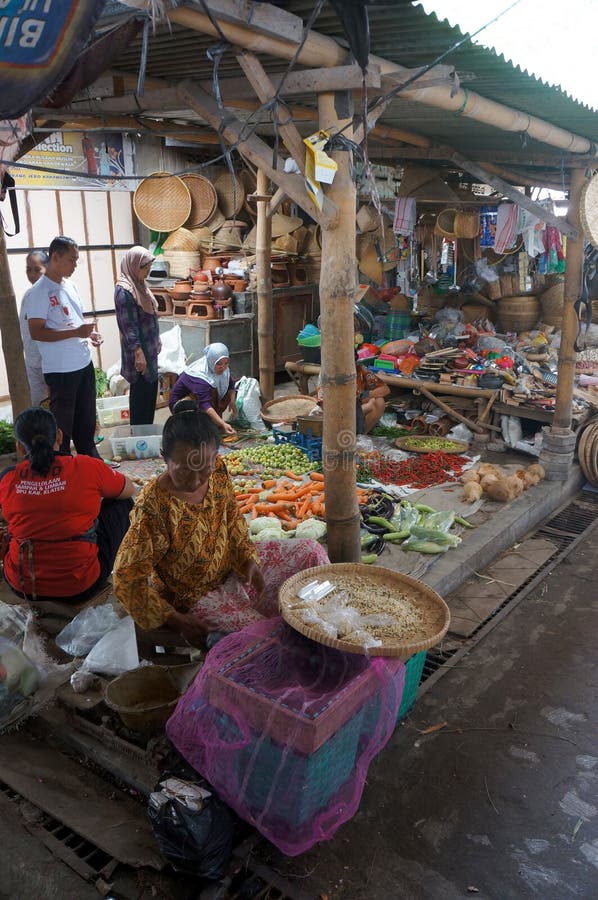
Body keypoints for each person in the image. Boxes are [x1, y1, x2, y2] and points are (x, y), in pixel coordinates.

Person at [113, 402, 329, 647]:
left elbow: (232, 518)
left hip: (231, 568)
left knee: (311, 552)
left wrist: (247, 559)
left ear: (216, 457)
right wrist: (176, 619)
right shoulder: (152, 508)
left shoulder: (218, 470)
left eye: (203, 470)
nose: (195, 481)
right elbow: (126, 579)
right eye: (183, 471)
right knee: (268, 640)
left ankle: (329, 623)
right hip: (195, 597)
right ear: (164, 457)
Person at [0, 407, 137, 603]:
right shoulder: (86, 466)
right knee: (123, 504)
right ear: (59, 436)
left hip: (22, 586)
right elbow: (128, 489)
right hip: (80, 586)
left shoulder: (7, 478)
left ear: (19, 447)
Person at [26, 235, 103, 457]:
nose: (75, 265)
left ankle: (91, 466)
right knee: (62, 432)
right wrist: (76, 333)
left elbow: (75, 321)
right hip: (61, 371)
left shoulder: (70, 285)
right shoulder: (39, 292)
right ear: (56, 257)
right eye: (71, 260)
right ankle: (62, 473)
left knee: (86, 425)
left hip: (83, 363)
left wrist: (90, 335)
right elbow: (36, 332)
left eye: (76, 260)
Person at [114, 246, 160, 425]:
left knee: (150, 394)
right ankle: (139, 438)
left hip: (149, 349)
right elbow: (128, 327)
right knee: (140, 397)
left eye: (149, 267)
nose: (147, 272)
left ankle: (146, 433)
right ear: (133, 266)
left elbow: (151, 316)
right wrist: (138, 353)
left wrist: (157, 338)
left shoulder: (140, 286)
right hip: (139, 352)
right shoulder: (124, 291)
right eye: (144, 268)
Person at [168, 343, 237, 435]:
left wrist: (232, 401)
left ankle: (213, 423)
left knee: (217, 393)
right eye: (219, 364)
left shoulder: (222, 369)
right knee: (198, 433)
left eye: (226, 363)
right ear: (211, 361)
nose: (223, 367)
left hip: (201, 399)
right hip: (182, 404)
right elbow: (205, 405)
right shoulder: (200, 376)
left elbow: (230, 384)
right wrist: (223, 424)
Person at [316, 355, 389, 434]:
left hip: (355, 410)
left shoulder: (359, 368)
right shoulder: (328, 373)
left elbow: (385, 389)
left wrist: (366, 394)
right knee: (368, 405)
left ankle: (361, 436)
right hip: (334, 414)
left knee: (379, 401)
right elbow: (325, 406)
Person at [19, 250, 49, 406]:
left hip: (50, 363)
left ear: (47, 268)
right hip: (32, 363)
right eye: (28, 269)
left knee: (55, 405)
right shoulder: (27, 296)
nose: (32, 274)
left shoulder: (51, 295)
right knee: (37, 405)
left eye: (37, 270)